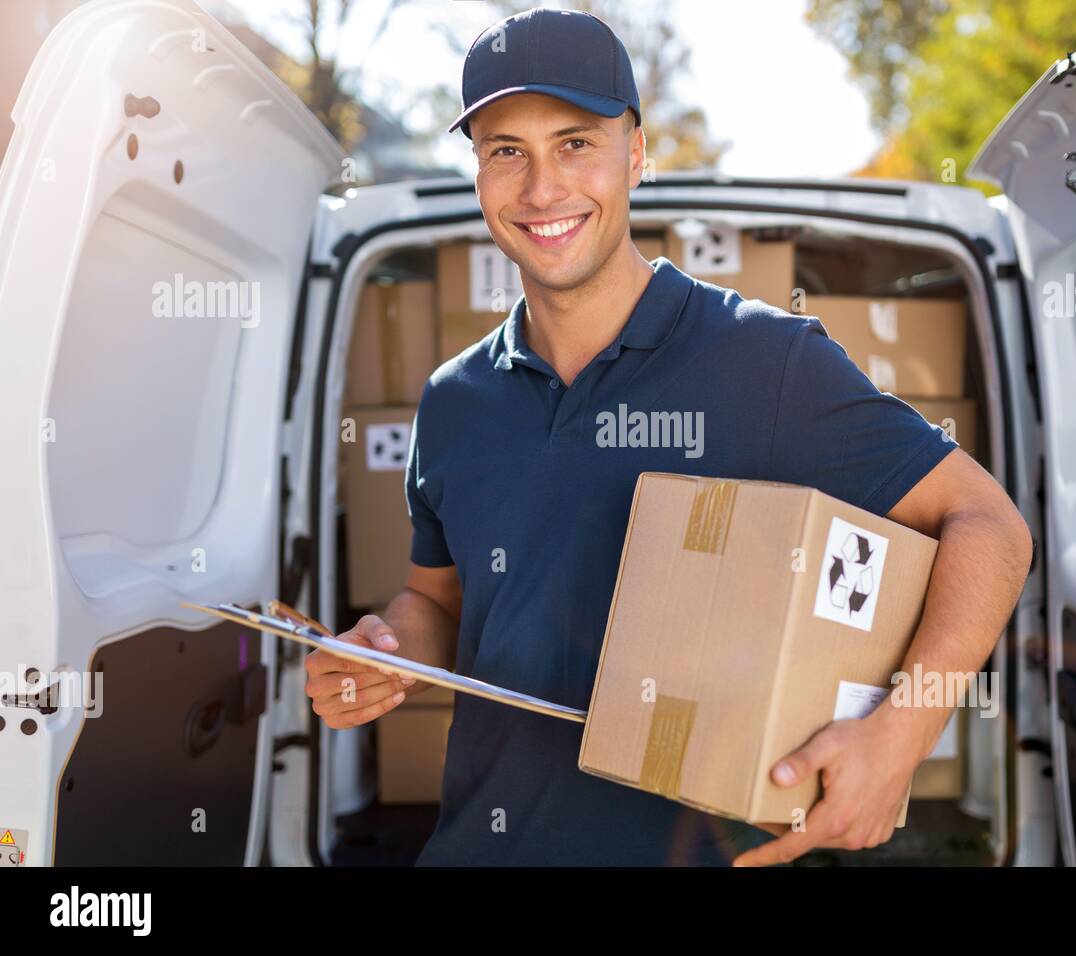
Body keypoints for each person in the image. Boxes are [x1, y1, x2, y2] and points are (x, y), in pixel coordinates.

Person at [304, 6, 1032, 867]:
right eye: (508, 151)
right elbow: (439, 605)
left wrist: (903, 734)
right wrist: (384, 651)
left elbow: (990, 526)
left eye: (576, 143)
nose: (541, 188)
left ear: (637, 155)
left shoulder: (765, 361)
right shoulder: (455, 399)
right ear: (479, 172)